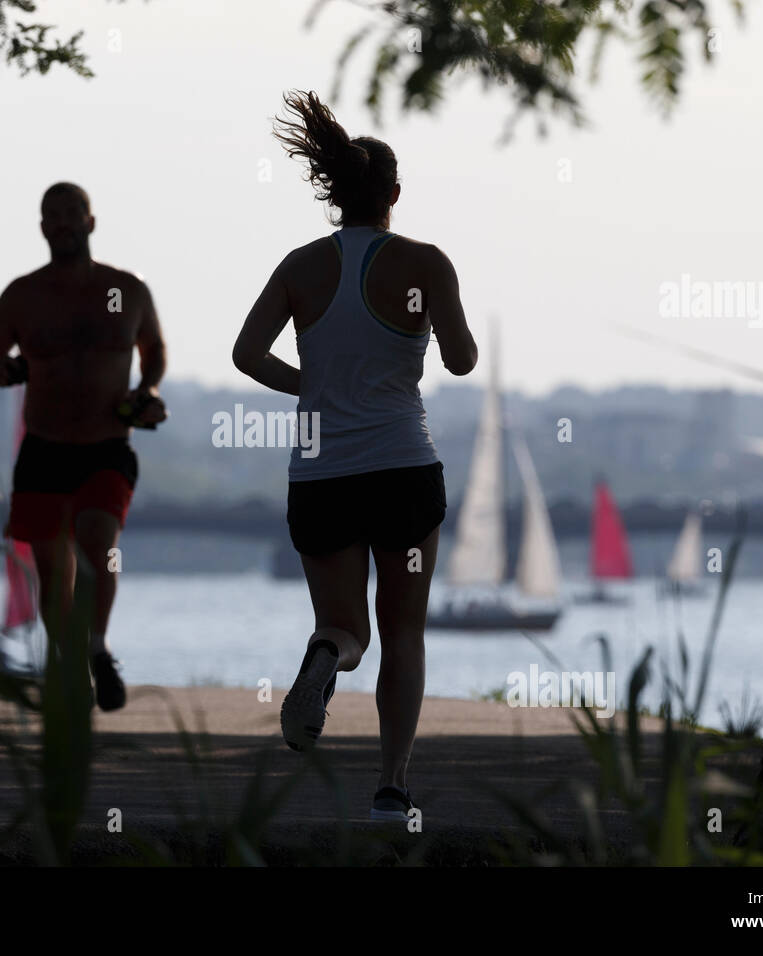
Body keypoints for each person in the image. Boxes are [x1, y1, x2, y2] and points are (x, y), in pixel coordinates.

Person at [232, 92, 478, 821]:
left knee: (348, 630)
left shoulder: (300, 267)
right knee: (404, 636)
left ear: (333, 192)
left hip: (322, 474)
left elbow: (247, 354)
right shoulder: (425, 263)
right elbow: (461, 360)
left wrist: (311, 383)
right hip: (403, 469)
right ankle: (391, 788)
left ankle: (324, 657)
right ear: (394, 194)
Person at [0, 182, 167, 711]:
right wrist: (1, 369)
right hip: (45, 447)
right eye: (51, 215)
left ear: (90, 221)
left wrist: (147, 390)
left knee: (98, 545)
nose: (61, 223)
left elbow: (153, 348)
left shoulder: (126, 289)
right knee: (53, 570)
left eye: (71, 213)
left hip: (107, 445)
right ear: (42, 227)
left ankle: (98, 649)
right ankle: (68, 664)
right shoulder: (23, 295)